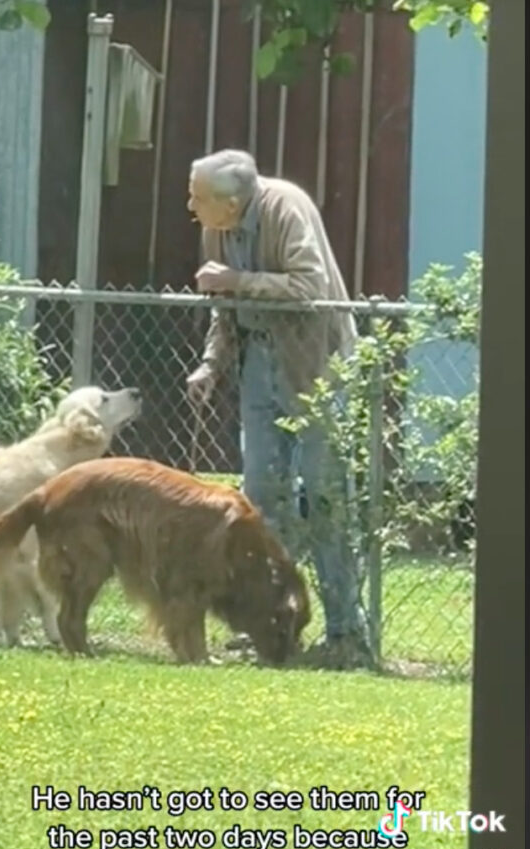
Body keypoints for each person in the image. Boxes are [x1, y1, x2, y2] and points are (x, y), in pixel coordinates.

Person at [184, 148, 370, 669]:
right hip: (256, 365)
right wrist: (210, 365)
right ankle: (267, 623)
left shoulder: (286, 208)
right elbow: (224, 308)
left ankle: (345, 633)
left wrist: (238, 281)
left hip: (317, 365)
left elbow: (310, 285)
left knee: (325, 497)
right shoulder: (215, 225)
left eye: (197, 197)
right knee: (261, 498)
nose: (190, 205)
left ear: (232, 199)